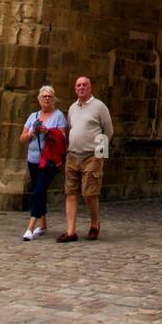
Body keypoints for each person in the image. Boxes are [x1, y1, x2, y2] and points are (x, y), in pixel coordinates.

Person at [57, 75, 114, 243]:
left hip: (91, 156)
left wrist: (100, 153)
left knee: (89, 193)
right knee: (70, 193)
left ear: (90, 88)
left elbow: (108, 130)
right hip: (73, 155)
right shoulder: (73, 108)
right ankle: (70, 231)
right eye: (78, 85)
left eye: (84, 85)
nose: (81, 87)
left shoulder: (99, 107)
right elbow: (70, 128)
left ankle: (95, 224)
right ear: (75, 89)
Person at [20, 86, 68, 241]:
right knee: (38, 190)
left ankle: (30, 227)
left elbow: (62, 138)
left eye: (50, 96)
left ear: (53, 99)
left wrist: (48, 132)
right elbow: (22, 138)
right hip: (33, 159)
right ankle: (44, 225)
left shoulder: (58, 116)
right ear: (39, 99)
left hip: (49, 160)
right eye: (44, 96)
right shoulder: (33, 116)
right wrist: (32, 132)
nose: (47, 99)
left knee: (39, 191)